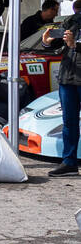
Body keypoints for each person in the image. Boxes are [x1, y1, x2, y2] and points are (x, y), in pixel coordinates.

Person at [43, 12, 80, 176]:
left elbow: (72, 45)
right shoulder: (73, 19)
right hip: (68, 78)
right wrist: (47, 42)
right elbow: (58, 45)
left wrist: (75, 45)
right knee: (69, 123)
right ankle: (69, 162)